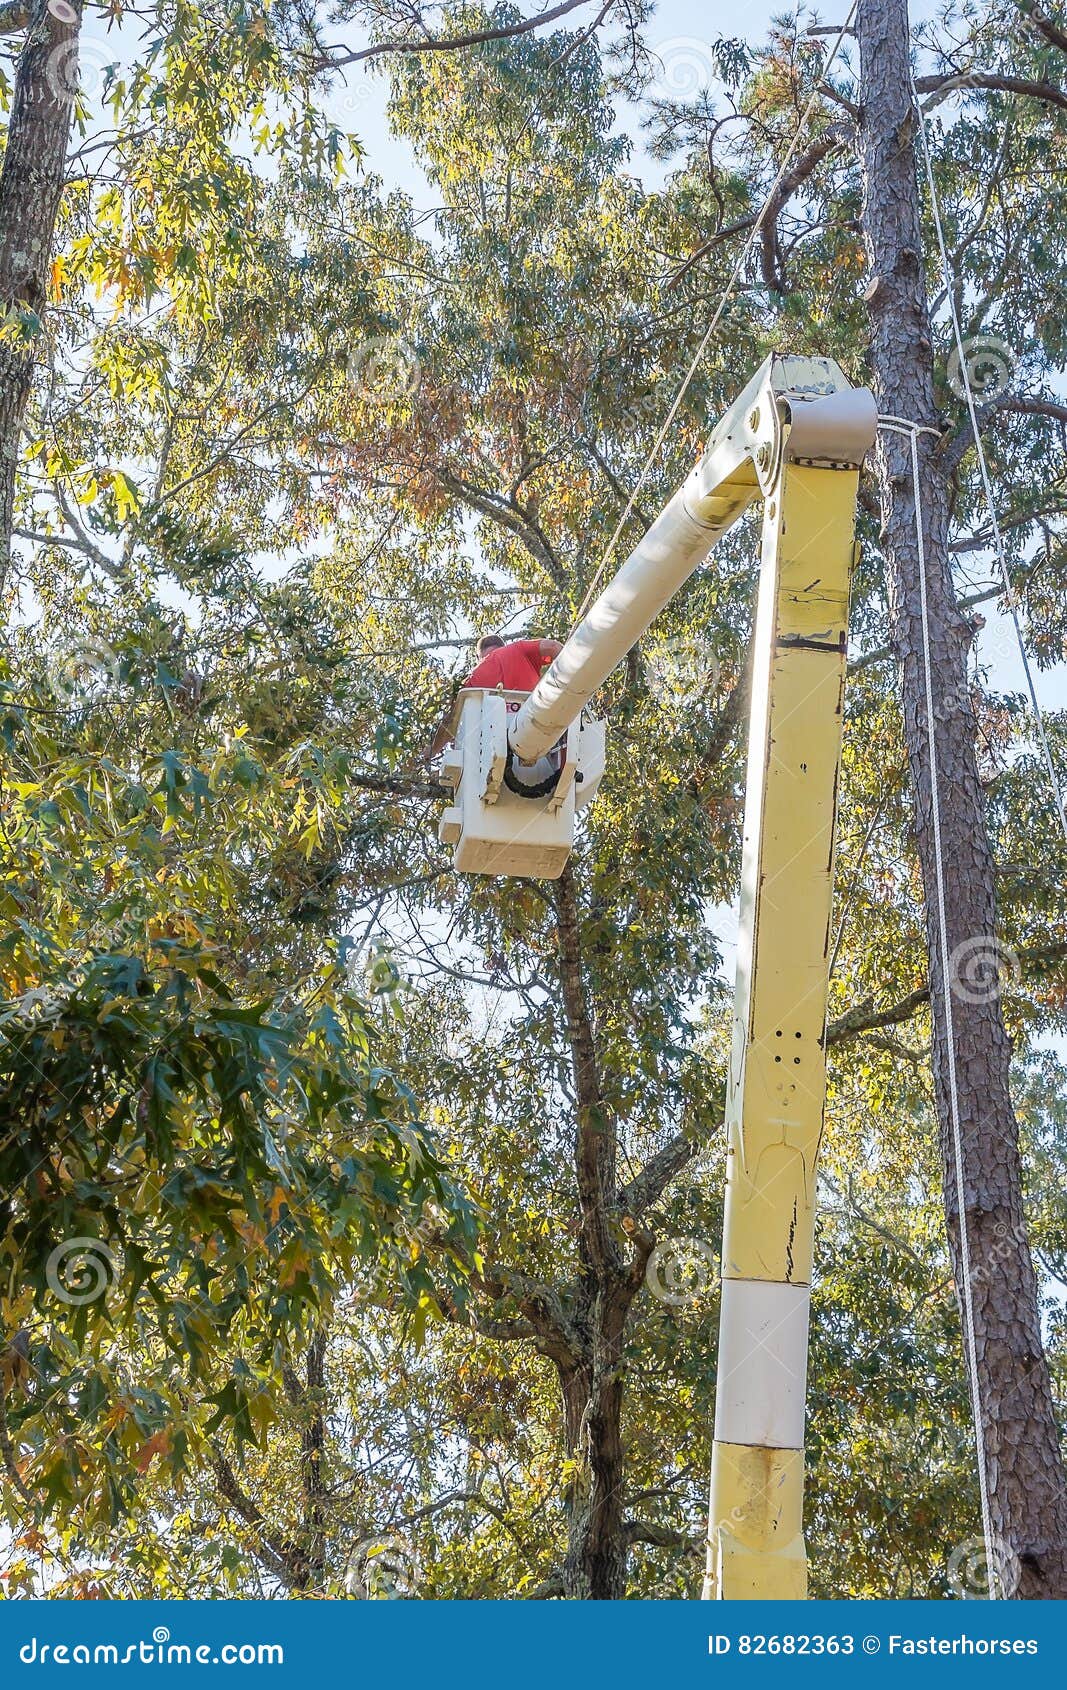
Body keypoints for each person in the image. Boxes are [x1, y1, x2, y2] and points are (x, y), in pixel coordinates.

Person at [427, 633, 563, 757]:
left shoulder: (472, 679)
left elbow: (452, 720)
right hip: (538, 729)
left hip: (492, 747)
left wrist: (433, 750)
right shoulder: (519, 649)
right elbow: (553, 647)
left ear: (478, 656)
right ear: (503, 646)